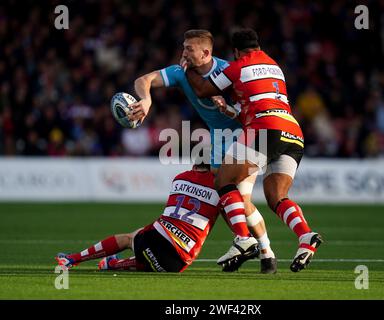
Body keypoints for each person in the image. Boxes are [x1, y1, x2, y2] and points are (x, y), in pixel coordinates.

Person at [127, 29, 277, 273]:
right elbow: (143, 80)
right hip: (219, 139)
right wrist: (146, 100)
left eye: (189, 49)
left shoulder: (228, 69)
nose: (183, 52)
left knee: (240, 196)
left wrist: (229, 106)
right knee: (230, 199)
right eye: (184, 46)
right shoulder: (180, 72)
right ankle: (258, 250)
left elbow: (251, 101)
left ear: (206, 52)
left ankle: (264, 250)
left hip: (245, 134)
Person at [185, 28, 323, 272]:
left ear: (236, 51)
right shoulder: (274, 66)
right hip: (293, 131)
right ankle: (305, 236)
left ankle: (243, 239)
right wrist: (234, 111)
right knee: (277, 197)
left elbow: (203, 90)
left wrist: (185, 69)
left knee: (224, 180)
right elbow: (261, 98)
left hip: (265, 128)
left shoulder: (239, 66)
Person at [55, 162, 236, 272]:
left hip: (157, 239)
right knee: (155, 258)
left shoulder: (180, 177)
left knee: (131, 238)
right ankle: (113, 265)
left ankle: (73, 259)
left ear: (195, 165)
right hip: (179, 263)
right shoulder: (219, 187)